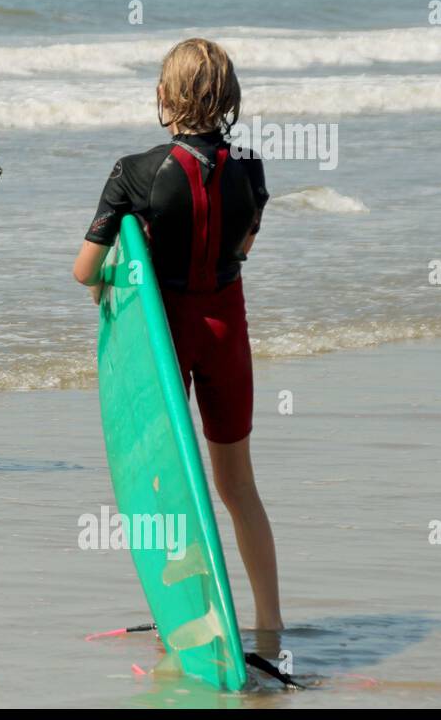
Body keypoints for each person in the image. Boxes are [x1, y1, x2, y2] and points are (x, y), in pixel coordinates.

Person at [71, 38, 283, 631]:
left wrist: (111, 273)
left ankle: (190, 619)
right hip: (226, 331)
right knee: (238, 484)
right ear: (228, 99)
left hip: (161, 340)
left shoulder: (133, 173)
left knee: (166, 482)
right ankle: (269, 620)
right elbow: (242, 249)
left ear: (164, 96)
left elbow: (85, 270)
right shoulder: (252, 170)